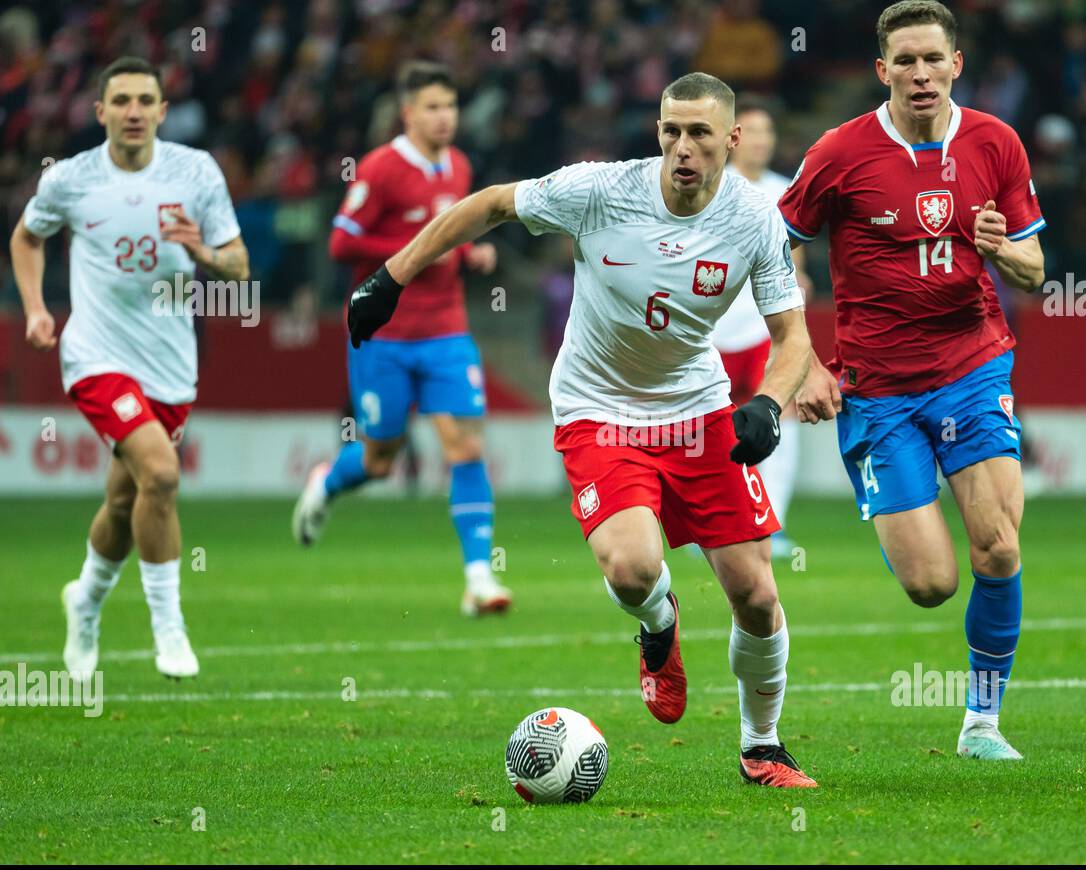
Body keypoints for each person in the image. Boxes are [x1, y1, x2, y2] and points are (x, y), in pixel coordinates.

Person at [349, 73, 818, 787]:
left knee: (755, 594)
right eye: (671, 131)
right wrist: (391, 276)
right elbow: (490, 205)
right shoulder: (601, 190)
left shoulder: (755, 218)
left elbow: (793, 337)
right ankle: (659, 626)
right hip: (599, 410)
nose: (682, 148)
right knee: (632, 569)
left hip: (697, 410)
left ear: (731, 138)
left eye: (699, 133)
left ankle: (762, 747)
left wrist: (769, 404)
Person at [784, 1, 1046, 759]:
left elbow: (1035, 266)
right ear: (883, 70)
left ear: (957, 63)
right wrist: (804, 362)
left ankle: (982, 723)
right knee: (931, 583)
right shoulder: (840, 153)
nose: (921, 74)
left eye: (934, 59)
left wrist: (1003, 250)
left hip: (972, 364)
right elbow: (774, 252)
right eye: (906, 61)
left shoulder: (997, 143)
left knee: (997, 547)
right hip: (878, 388)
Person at [11, 57, 248, 680]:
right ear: (101, 112)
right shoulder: (70, 179)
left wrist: (201, 250)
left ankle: (84, 600)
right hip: (96, 356)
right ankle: (168, 630)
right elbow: (26, 237)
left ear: (163, 111)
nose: (135, 111)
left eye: (146, 100)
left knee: (126, 503)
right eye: (121, 101)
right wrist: (36, 309)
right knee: (163, 477)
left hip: (171, 366)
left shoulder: (196, 172)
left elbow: (240, 267)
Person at [291, 61, 510, 618]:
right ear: (408, 112)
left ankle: (479, 578)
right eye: (433, 108)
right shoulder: (381, 168)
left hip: (446, 331)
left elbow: (452, 235)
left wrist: (466, 251)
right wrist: (420, 245)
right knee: (382, 458)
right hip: (384, 335)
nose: (444, 118)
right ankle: (327, 479)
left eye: (451, 107)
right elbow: (341, 242)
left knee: (464, 446)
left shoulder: (459, 166)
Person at [713, 97, 814, 560]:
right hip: (711, 330)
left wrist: (800, 284)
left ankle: (773, 521)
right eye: (751, 132)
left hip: (763, 329)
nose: (760, 141)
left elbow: (795, 256)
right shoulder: (713, 187)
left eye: (766, 133)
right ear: (734, 138)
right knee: (713, 425)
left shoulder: (784, 190)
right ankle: (718, 520)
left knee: (778, 413)